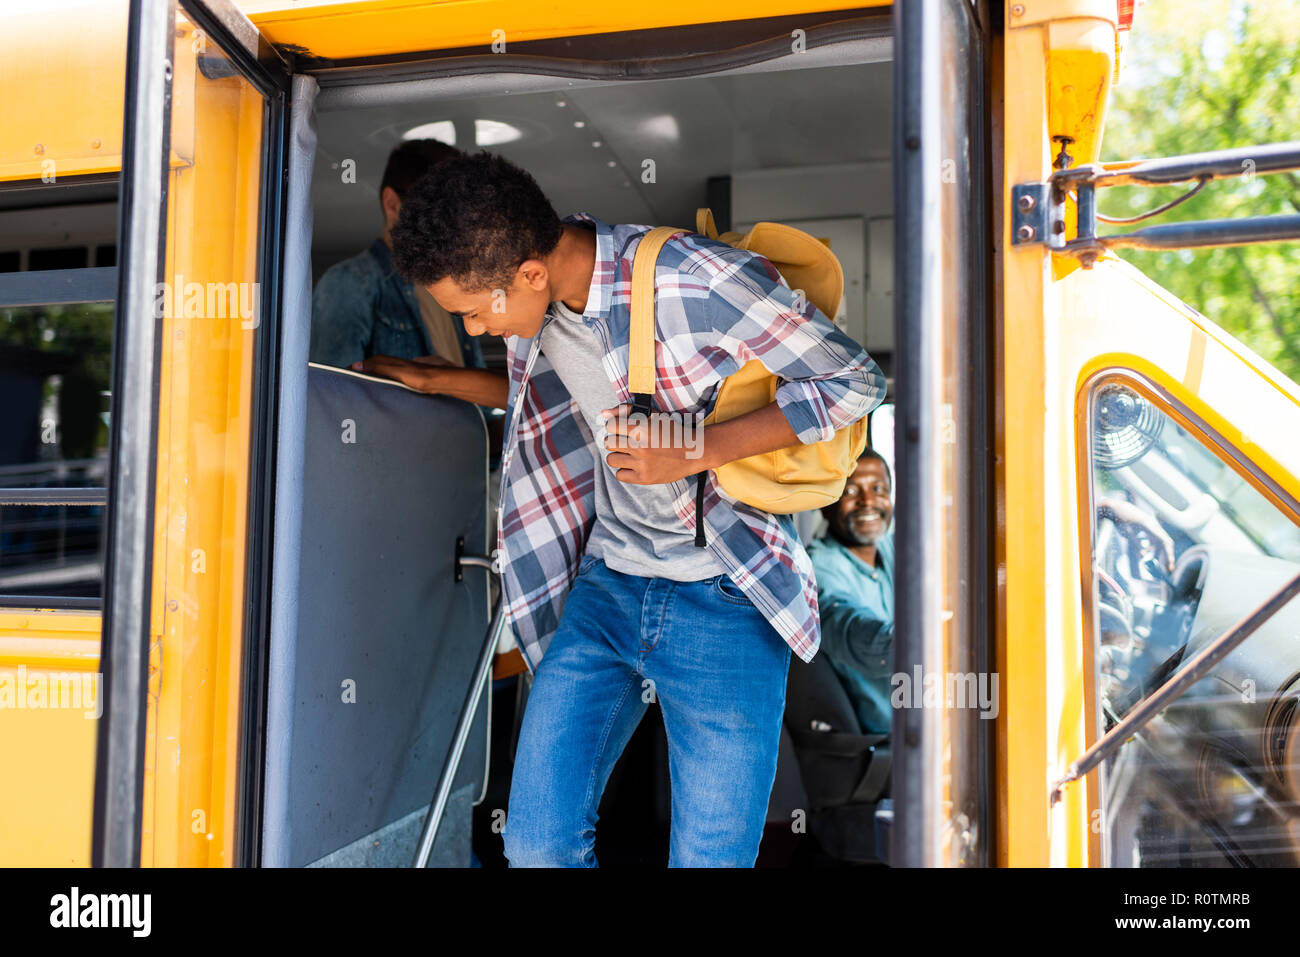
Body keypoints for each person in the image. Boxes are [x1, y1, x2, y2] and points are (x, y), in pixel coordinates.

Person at [381, 150, 886, 867]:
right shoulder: (541, 306)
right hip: (607, 587)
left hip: (726, 600)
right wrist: (437, 382)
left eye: (470, 312)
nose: (476, 329)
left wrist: (696, 449)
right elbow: (556, 400)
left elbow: (854, 379)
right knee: (535, 844)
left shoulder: (694, 279)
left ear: (527, 273)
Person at [309, 138, 507, 410]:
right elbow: (330, 406)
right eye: (436, 210)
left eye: (457, 212)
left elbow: (481, 414)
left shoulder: (458, 286)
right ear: (392, 203)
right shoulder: (350, 283)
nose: (452, 224)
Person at [806, 448, 896, 736]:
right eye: (851, 491)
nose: (868, 502)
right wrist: (920, 644)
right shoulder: (816, 570)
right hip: (890, 742)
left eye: (879, 489)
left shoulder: (895, 548)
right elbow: (850, 628)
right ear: (826, 503)